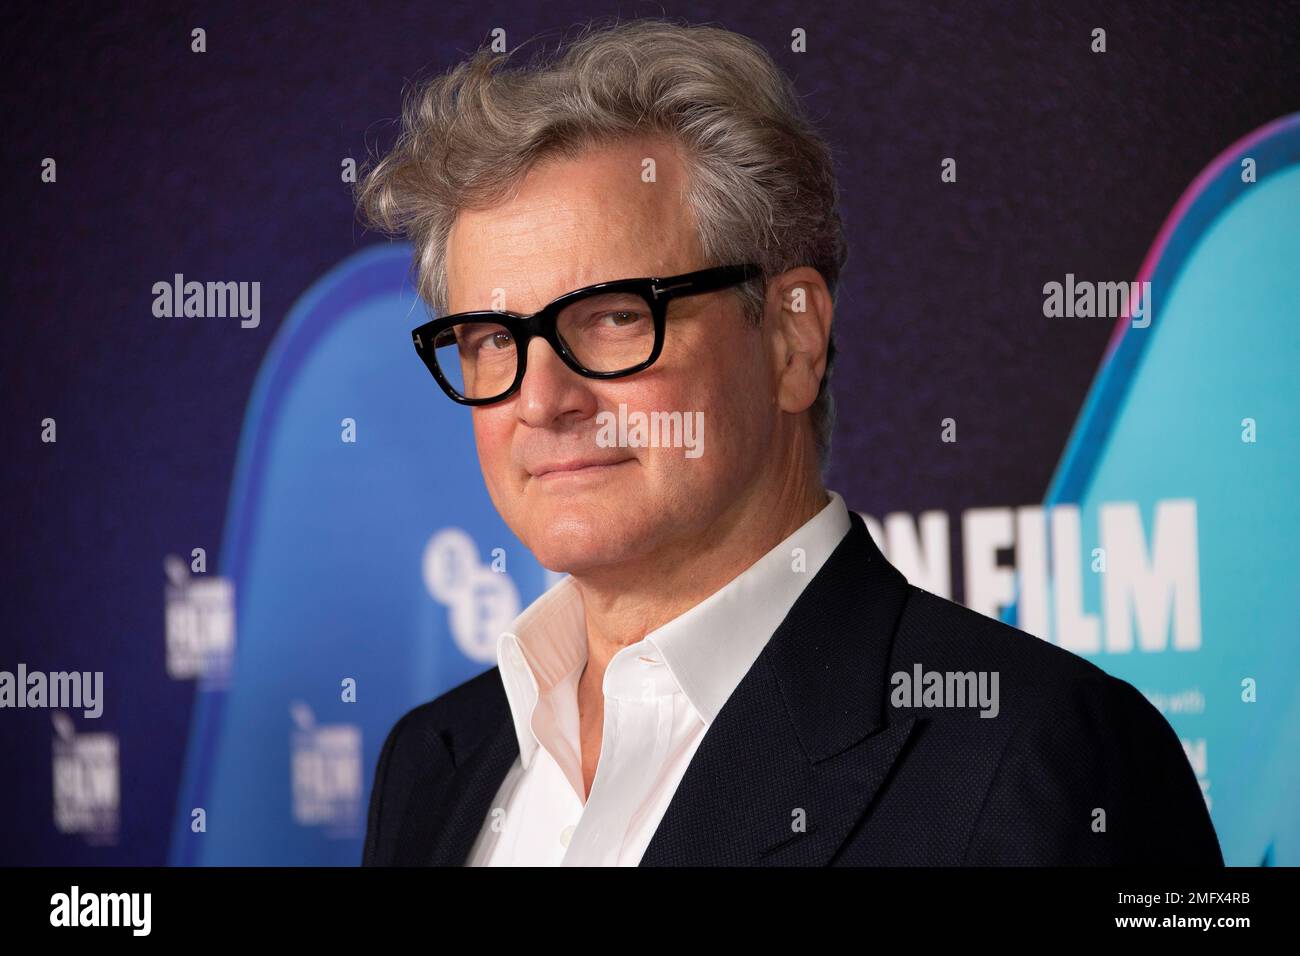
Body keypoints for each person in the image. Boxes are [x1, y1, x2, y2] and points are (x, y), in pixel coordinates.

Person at [353, 18, 1222, 866]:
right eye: (492, 340)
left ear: (791, 341)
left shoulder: (1041, 757)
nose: (541, 400)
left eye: (615, 317)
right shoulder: (433, 763)